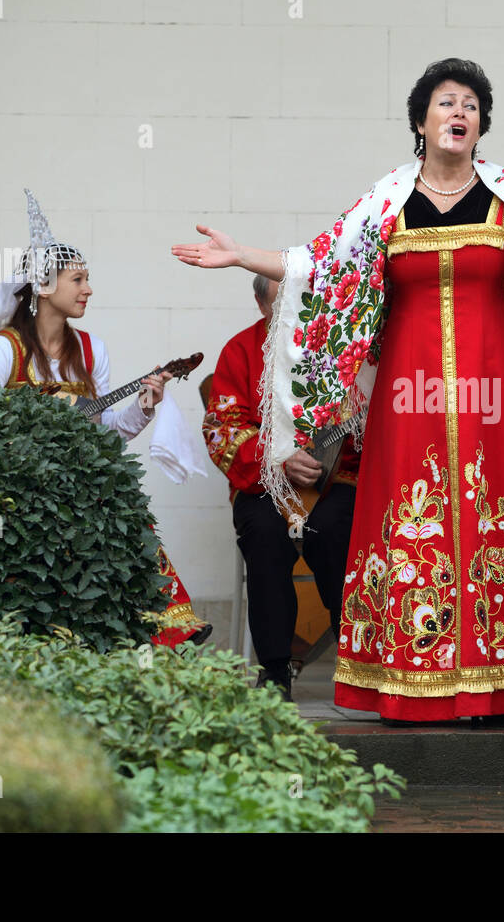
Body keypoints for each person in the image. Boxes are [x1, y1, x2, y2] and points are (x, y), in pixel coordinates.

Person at [174, 58, 504, 722]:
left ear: (480, 124)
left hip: (495, 401)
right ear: (420, 121)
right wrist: (242, 256)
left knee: (494, 523)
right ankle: (411, 683)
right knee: (416, 523)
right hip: (411, 401)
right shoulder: (385, 203)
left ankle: (498, 688)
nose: (459, 113)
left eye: (470, 105)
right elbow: (316, 265)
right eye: (446, 103)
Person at [0, 189, 210, 649]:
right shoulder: (5, 348)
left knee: (126, 510)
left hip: (79, 485)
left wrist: (145, 406)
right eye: (78, 279)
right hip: (18, 491)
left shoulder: (91, 350)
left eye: (87, 279)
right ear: (44, 287)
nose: (88, 289)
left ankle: (169, 630)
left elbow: (107, 440)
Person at [203, 273, 360, 701]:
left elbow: (371, 423)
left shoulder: (341, 349)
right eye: (283, 303)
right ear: (262, 307)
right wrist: (277, 461)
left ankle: (357, 660)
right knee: (266, 536)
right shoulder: (239, 350)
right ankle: (274, 669)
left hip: (336, 483)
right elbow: (222, 430)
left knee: (333, 532)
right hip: (264, 484)